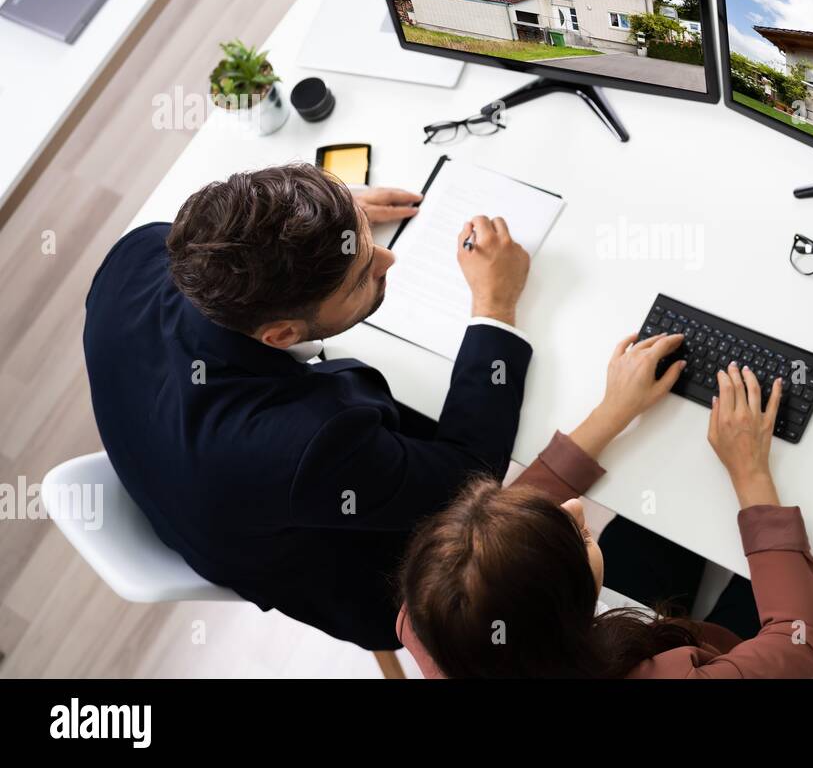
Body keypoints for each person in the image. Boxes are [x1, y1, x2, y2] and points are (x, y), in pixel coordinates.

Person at [83, 163, 532, 650]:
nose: (387, 259)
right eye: (362, 276)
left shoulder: (135, 253)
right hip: (372, 576)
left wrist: (325, 227)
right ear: (281, 334)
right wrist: (495, 305)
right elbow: (468, 476)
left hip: (185, 473)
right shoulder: (312, 444)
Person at [396, 333, 813, 677]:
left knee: (663, 510)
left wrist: (613, 410)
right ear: (574, 610)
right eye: (579, 535)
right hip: (733, 654)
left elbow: (497, 532)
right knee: (800, 555)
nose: (576, 508)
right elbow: (799, 640)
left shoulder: (428, 616)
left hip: (631, 631)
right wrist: (751, 471)